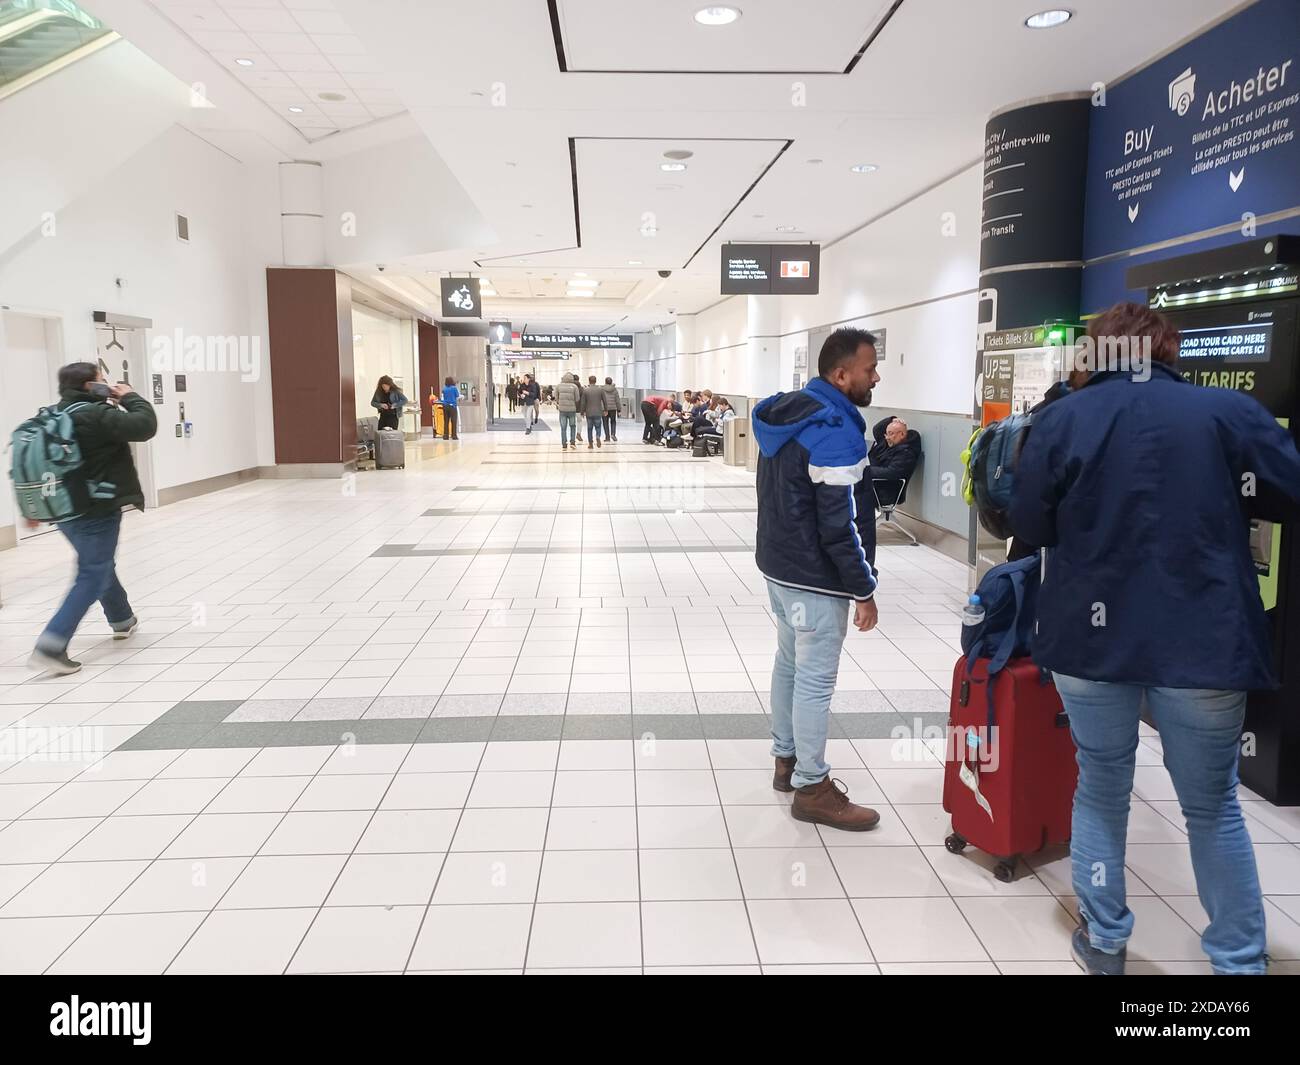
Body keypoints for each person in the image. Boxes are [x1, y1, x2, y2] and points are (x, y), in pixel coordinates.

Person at [1009, 302, 1300, 976]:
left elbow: (1030, 522)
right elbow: (1287, 491)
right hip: (1204, 639)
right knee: (1212, 804)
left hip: (1090, 640)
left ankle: (1106, 941)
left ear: (1099, 352)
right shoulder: (1226, 413)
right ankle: (1237, 959)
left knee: (1102, 785)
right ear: (1169, 351)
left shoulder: (1062, 420)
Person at [751, 328, 881, 831]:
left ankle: (786, 760)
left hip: (779, 568)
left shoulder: (787, 414)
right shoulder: (834, 430)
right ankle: (811, 786)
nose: (876, 376)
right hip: (816, 579)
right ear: (841, 374)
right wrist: (863, 589)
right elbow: (840, 526)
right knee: (814, 681)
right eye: (869, 369)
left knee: (788, 663)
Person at [28, 363, 158, 675]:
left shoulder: (51, 414)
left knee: (97, 563)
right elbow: (144, 426)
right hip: (96, 508)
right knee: (92, 571)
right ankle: (52, 644)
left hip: (62, 509)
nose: (107, 384)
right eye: (102, 380)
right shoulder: (94, 414)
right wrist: (131, 397)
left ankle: (121, 618)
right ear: (89, 385)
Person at [865, 416, 921, 507]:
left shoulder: (906, 453)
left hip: (885, 492)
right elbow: (877, 429)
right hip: (872, 485)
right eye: (886, 434)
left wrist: (866, 470)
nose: (887, 437)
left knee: (849, 493)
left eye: (890, 434)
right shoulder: (887, 443)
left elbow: (891, 472)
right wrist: (891, 420)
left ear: (902, 434)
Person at [556, 372, 581, 451]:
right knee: (573, 426)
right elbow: (577, 399)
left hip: (562, 410)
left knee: (563, 427)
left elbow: (556, 398)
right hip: (572, 410)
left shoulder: (558, 386)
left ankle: (564, 445)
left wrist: (561, 403)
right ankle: (572, 443)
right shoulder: (574, 387)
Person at [581, 374, 605, 450]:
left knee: (589, 428)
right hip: (598, 411)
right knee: (598, 426)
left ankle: (590, 444)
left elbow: (583, 402)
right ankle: (598, 436)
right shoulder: (600, 389)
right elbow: (605, 400)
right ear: (595, 381)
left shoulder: (586, 390)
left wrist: (582, 411)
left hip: (589, 412)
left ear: (589, 381)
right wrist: (606, 409)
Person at [600, 377, 620, 441]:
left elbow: (600, 399)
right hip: (613, 408)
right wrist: (619, 409)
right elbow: (617, 400)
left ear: (605, 382)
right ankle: (613, 434)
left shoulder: (602, 389)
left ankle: (607, 437)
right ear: (611, 382)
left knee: (605, 423)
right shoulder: (615, 390)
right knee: (613, 421)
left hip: (604, 409)